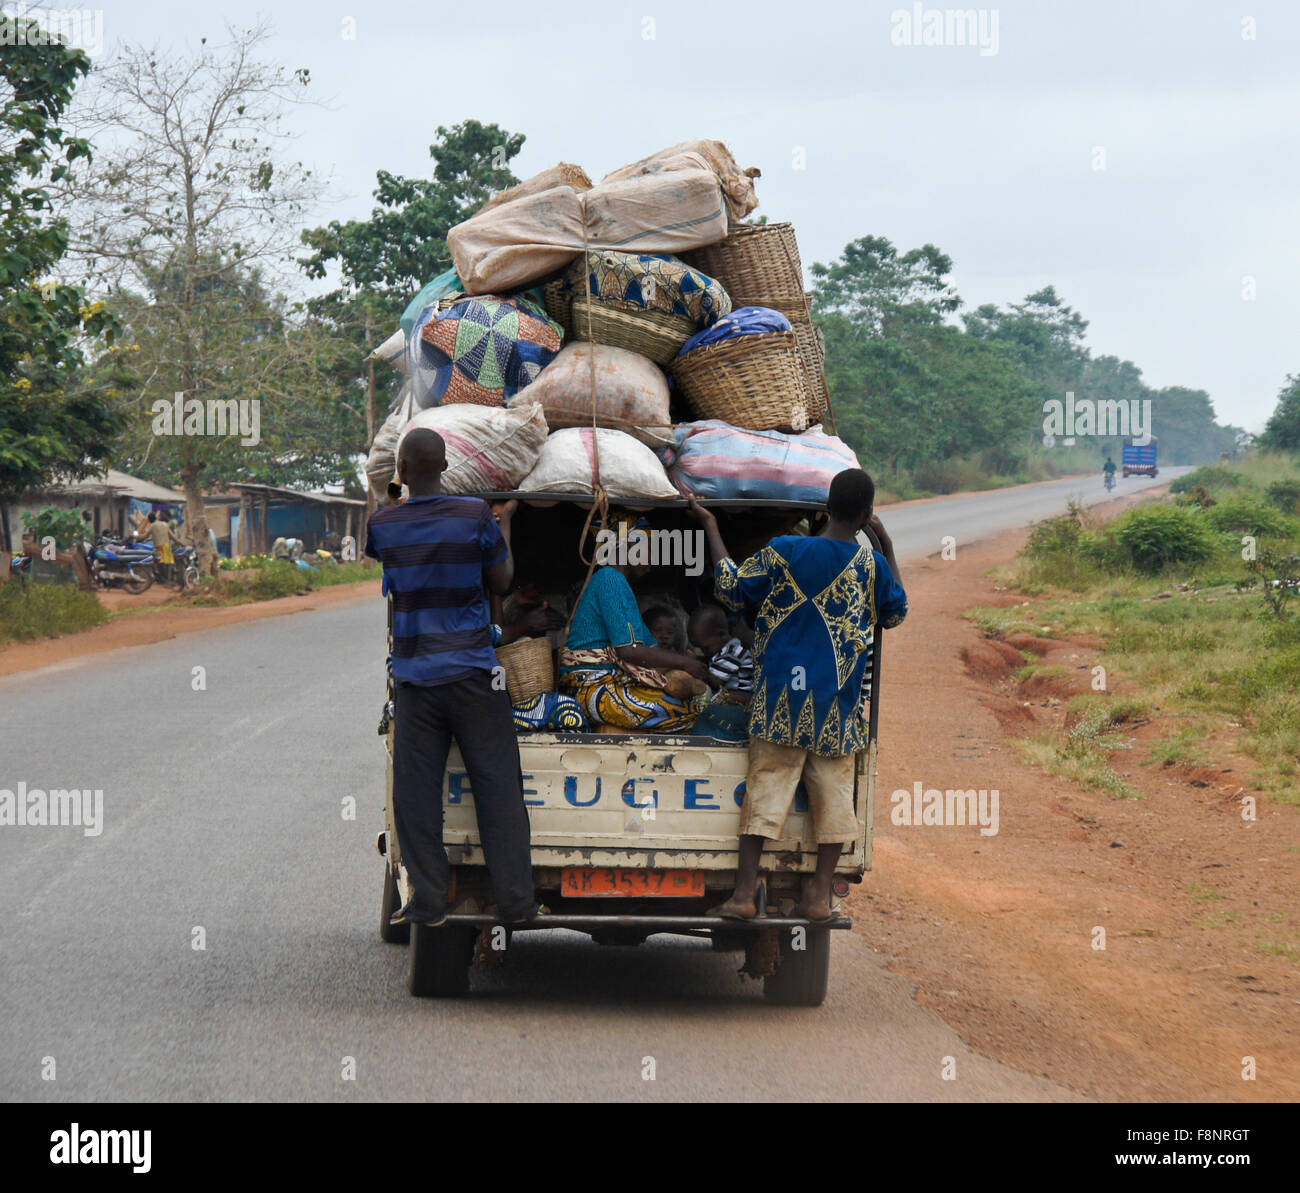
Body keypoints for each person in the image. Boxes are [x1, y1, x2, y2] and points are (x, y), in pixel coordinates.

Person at [688, 468, 908, 922]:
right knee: (833, 805)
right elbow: (896, 611)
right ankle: (816, 898)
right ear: (866, 514)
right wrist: (883, 541)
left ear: (824, 507)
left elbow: (730, 590)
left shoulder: (783, 551)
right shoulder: (871, 565)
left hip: (778, 706)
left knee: (763, 798)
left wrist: (710, 524)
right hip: (837, 710)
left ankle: (745, 895)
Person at [364, 428, 536, 927]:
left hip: (417, 682)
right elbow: (502, 581)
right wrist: (503, 525)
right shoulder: (474, 516)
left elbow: (387, 571)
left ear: (402, 472)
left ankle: (429, 900)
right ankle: (517, 905)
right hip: (475, 676)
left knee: (415, 794)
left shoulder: (384, 526)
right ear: (444, 467)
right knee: (498, 786)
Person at [559, 519, 709, 732]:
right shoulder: (609, 579)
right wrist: (684, 662)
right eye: (649, 548)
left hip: (610, 686)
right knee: (688, 712)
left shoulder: (619, 585)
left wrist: (689, 662)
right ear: (628, 545)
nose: (653, 558)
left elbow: (649, 649)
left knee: (694, 705)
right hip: (591, 689)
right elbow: (629, 651)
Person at [688, 604, 754, 702]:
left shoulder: (733, 653)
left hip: (743, 697)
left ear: (721, 635)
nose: (703, 652)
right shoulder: (722, 650)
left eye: (706, 648)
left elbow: (716, 682)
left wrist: (699, 669)